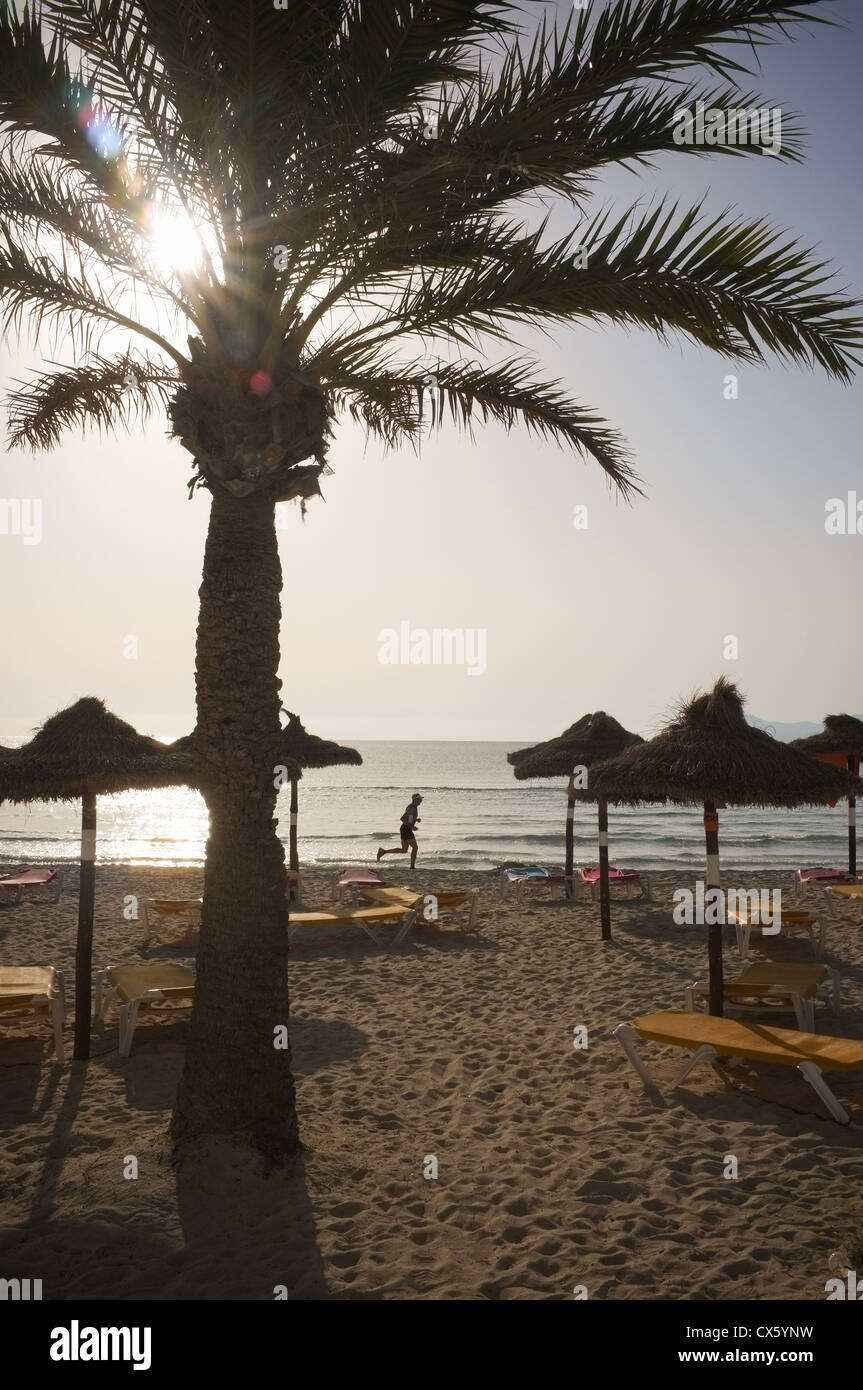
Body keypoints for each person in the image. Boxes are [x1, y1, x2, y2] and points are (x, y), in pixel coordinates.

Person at [377, 793, 424, 870]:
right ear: (415, 800)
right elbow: (402, 818)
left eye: (421, 799)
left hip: (405, 829)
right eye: (419, 799)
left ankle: (383, 851)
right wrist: (412, 826)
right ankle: (412, 866)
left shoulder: (413, 807)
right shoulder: (412, 808)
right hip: (406, 829)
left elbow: (409, 817)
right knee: (415, 847)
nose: (421, 801)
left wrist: (416, 820)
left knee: (404, 850)